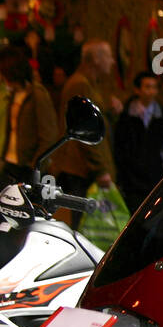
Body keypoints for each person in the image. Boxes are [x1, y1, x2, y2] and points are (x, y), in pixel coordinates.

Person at [50, 40, 115, 228]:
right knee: (79, 224)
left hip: (83, 168)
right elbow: (84, 133)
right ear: (95, 59)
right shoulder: (80, 84)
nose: (112, 61)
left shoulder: (89, 83)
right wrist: (101, 169)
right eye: (108, 56)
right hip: (80, 169)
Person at [114, 72, 163, 211]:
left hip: (155, 178)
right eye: (147, 87)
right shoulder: (126, 116)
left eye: (154, 87)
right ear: (137, 90)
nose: (151, 91)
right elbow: (120, 147)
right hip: (132, 181)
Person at [0, 44, 59, 180]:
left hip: (27, 166)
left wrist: (36, 165)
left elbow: (48, 135)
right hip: (10, 161)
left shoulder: (37, 94)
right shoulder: (14, 93)